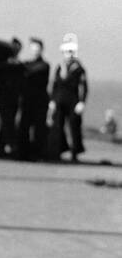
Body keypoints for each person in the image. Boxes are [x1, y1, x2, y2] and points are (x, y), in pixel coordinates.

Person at [50, 34, 88, 162]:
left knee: (74, 127)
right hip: (60, 100)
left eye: (71, 51)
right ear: (63, 52)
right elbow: (55, 85)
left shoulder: (79, 68)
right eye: (67, 51)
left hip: (73, 101)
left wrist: (82, 102)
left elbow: (84, 86)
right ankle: (59, 150)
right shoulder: (60, 67)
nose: (69, 54)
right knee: (58, 126)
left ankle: (75, 152)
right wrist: (52, 100)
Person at [0, 37, 24, 157]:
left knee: (6, 122)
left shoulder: (20, 66)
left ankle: (0, 148)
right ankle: (12, 146)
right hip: (3, 98)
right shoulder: (1, 64)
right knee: (8, 121)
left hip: (15, 98)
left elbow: (23, 83)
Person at [18, 37, 51, 160]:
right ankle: (23, 153)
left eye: (37, 48)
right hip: (27, 101)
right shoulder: (26, 65)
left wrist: (21, 68)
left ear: (41, 49)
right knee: (24, 127)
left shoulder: (44, 65)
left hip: (40, 101)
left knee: (39, 129)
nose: (35, 50)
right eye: (33, 48)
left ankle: (38, 153)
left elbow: (34, 71)